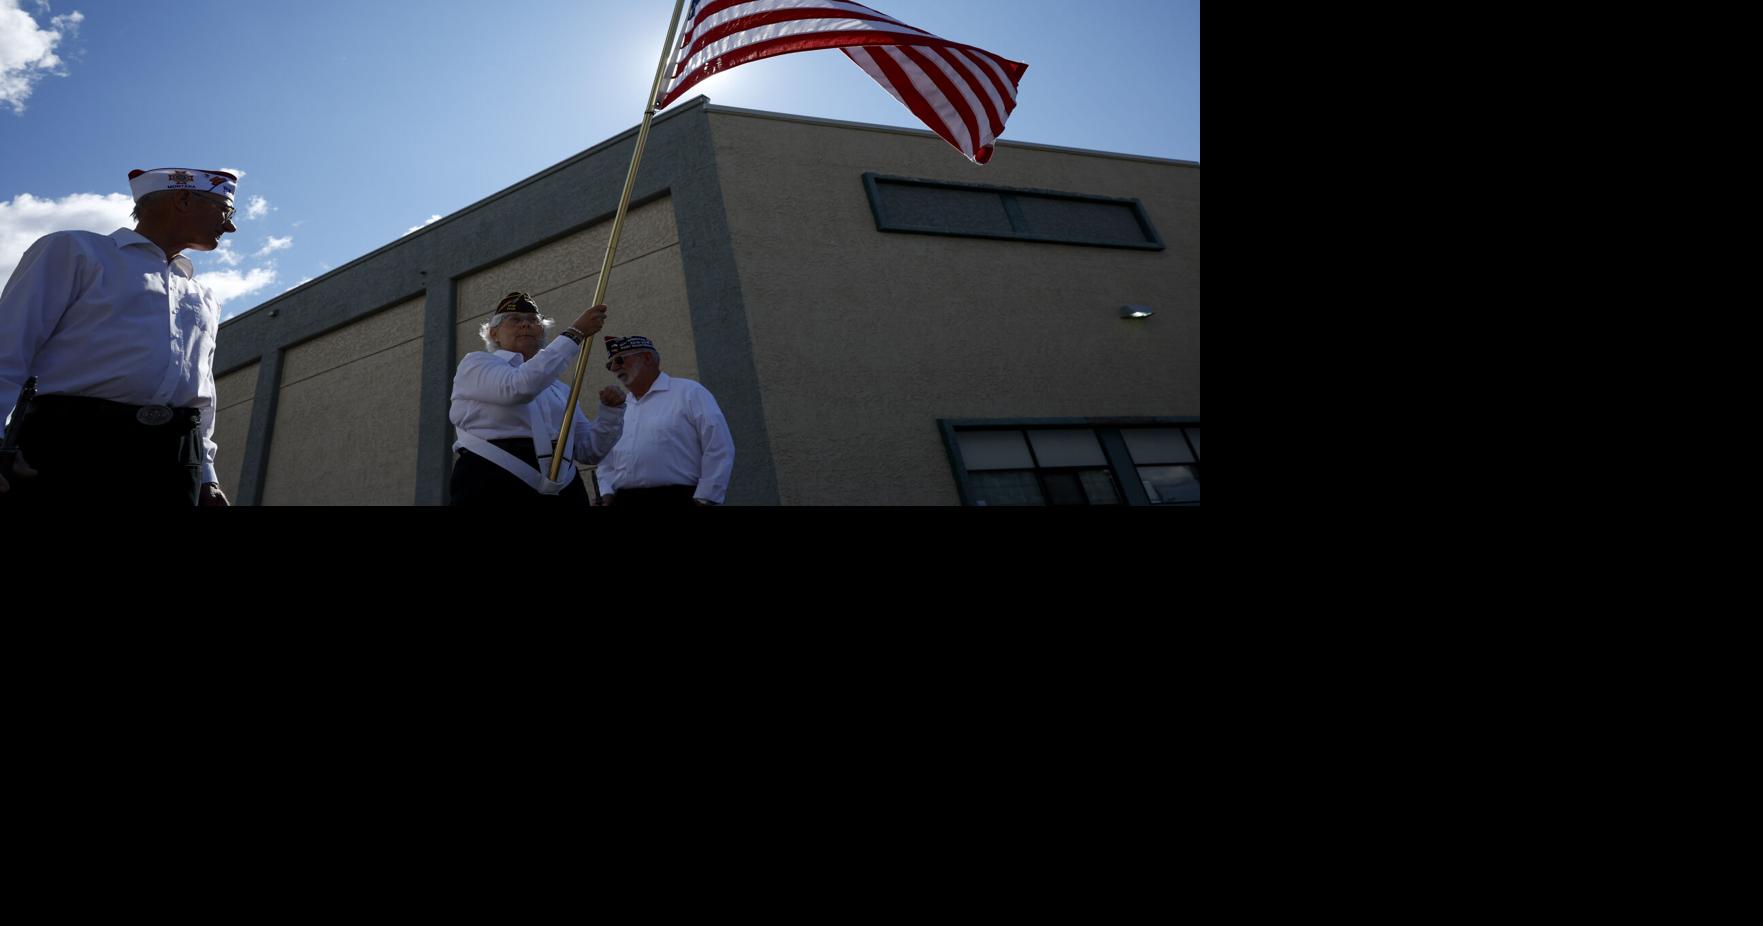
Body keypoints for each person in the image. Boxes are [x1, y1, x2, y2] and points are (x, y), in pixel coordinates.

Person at [1, 167, 240, 506]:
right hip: (71, 447)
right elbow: (7, 348)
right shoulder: (74, 251)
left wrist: (206, 476)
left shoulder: (203, 295)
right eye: (225, 210)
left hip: (174, 459)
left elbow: (200, 394)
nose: (230, 225)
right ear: (184, 198)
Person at [448, 291, 626, 507]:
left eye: (533, 320)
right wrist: (575, 333)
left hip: (564, 489)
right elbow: (518, 388)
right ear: (494, 334)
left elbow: (589, 451)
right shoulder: (476, 364)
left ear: (542, 330)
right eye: (514, 320)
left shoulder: (558, 389)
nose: (525, 325)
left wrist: (610, 413)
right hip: (494, 481)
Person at [595, 335, 734, 507]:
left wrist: (706, 498)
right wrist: (606, 492)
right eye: (610, 365)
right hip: (624, 499)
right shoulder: (620, 408)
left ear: (646, 358)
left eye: (620, 360)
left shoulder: (689, 393)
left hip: (677, 497)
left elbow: (718, 446)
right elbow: (605, 457)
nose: (614, 368)